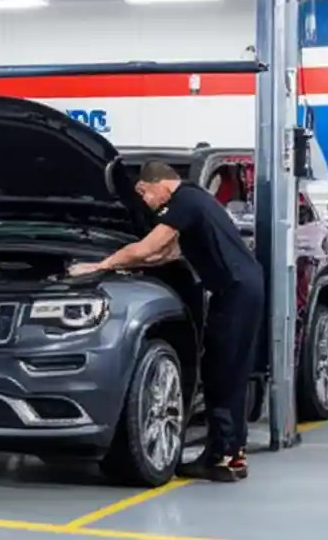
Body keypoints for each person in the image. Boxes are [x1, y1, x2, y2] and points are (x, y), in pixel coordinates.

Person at [68, 161, 266, 482]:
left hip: (235, 291)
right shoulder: (194, 199)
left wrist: (99, 266)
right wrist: (128, 265)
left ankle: (222, 458)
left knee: (223, 372)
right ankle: (232, 454)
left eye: (144, 194)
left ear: (158, 184)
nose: (146, 202)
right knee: (229, 370)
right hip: (243, 288)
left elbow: (149, 245)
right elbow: (164, 254)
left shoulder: (183, 201)